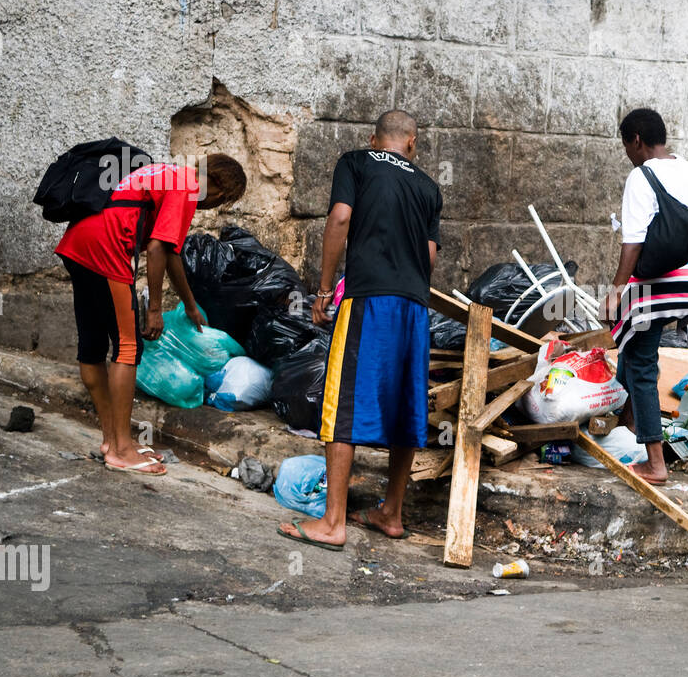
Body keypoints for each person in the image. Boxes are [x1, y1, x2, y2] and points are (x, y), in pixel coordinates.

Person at [277, 110, 441, 551]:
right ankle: (391, 512)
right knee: (407, 406)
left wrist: (325, 290)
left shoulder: (356, 161)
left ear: (375, 139)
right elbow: (428, 255)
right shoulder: (428, 187)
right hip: (415, 307)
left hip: (369, 299)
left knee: (342, 403)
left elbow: (340, 219)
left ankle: (332, 522)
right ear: (412, 142)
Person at [54, 153, 247, 474]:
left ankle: (111, 441)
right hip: (107, 249)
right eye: (221, 198)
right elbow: (157, 248)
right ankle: (122, 449)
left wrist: (187, 303)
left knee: (92, 346)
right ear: (214, 181)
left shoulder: (164, 173)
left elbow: (171, 254)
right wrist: (155, 310)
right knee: (129, 347)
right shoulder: (186, 185)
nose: (214, 206)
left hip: (78, 243)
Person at [601, 108, 688, 485]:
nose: (628, 154)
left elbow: (633, 241)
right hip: (687, 280)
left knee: (640, 364)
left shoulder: (641, 177)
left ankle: (655, 463)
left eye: (626, 146)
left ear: (636, 140)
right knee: (634, 348)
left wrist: (615, 290)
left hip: (653, 285)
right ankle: (624, 424)